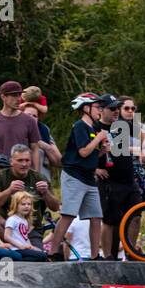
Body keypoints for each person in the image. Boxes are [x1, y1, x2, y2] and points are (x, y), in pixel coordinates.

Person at [43, 93, 107, 261]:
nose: (100, 110)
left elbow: (91, 156)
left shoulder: (94, 128)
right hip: (74, 175)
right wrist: (99, 139)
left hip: (89, 177)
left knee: (96, 217)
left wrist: (102, 151)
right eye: (97, 107)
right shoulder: (80, 126)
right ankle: (52, 252)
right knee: (68, 214)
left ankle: (94, 255)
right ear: (86, 108)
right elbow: (83, 152)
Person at [99, 95, 144, 259]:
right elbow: (83, 153)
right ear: (101, 110)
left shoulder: (122, 125)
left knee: (136, 216)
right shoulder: (96, 127)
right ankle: (108, 256)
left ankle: (130, 253)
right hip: (110, 180)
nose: (116, 111)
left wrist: (144, 149)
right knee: (110, 220)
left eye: (118, 108)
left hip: (129, 179)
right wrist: (95, 169)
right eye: (112, 108)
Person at [0, 146, 59, 247]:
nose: (24, 164)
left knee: (36, 255)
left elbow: (55, 207)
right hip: (7, 227)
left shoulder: (39, 177)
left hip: (32, 229)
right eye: (20, 160)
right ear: (11, 161)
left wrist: (46, 192)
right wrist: (9, 190)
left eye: (27, 160)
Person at [0, 81, 40, 171]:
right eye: (14, 95)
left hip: (24, 172)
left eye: (19, 95)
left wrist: (36, 174)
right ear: (3, 97)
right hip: (1, 172)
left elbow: (35, 149)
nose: (18, 99)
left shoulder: (29, 121)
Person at [2, 191, 50, 259]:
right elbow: (6, 236)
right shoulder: (12, 219)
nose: (26, 206)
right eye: (23, 204)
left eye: (29, 204)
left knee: (42, 255)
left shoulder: (25, 220)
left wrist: (32, 247)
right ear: (16, 205)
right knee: (41, 256)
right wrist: (20, 246)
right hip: (16, 249)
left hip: (25, 249)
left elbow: (25, 238)